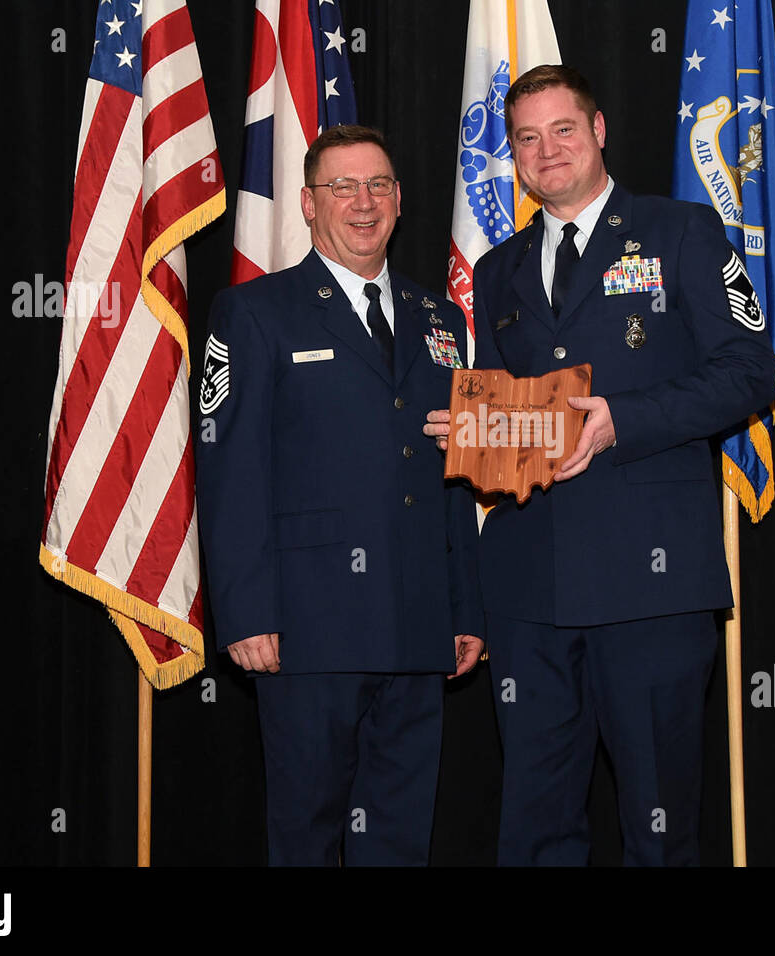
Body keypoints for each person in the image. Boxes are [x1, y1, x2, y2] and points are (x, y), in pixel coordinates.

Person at [425, 65, 775, 865]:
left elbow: (750, 371)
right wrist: (474, 435)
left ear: (600, 130)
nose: (546, 151)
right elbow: (519, 410)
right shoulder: (496, 270)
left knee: (657, 824)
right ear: (511, 153)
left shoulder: (681, 231)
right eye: (526, 138)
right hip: (529, 589)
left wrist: (624, 421)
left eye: (563, 130)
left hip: (648, 584)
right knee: (536, 828)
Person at [197, 125, 484, 866]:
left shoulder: (439, 320)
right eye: (344, 187)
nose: (365, 203)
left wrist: (464, 607)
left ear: (399, 200)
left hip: (418, 621)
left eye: (380, 185)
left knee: (399, 835)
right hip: (306, 625)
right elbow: (229, 473)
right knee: (307, 832)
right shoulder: (254, 312)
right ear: (307, 203)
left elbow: (450, 474)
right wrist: (246, 610)